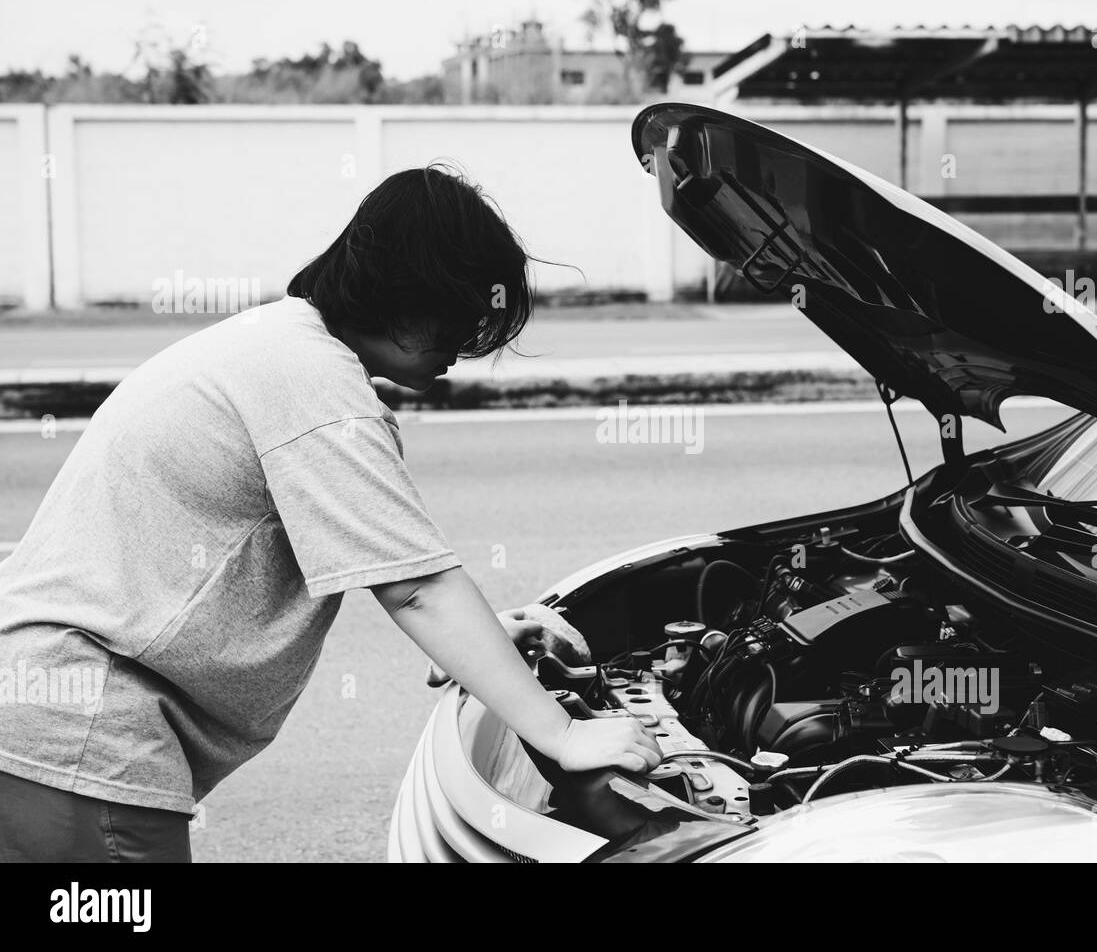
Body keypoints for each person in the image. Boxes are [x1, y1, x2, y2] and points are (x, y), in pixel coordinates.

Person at [0, 165, 661, 862]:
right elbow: (417, 588)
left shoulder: (280, 346)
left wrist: (484, 648)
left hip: (41, 723)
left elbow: (387, 563)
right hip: (85, 744)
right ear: (414, 292)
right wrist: (562, 734)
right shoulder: (315, 384)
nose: (468, 341)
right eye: (467, 313)